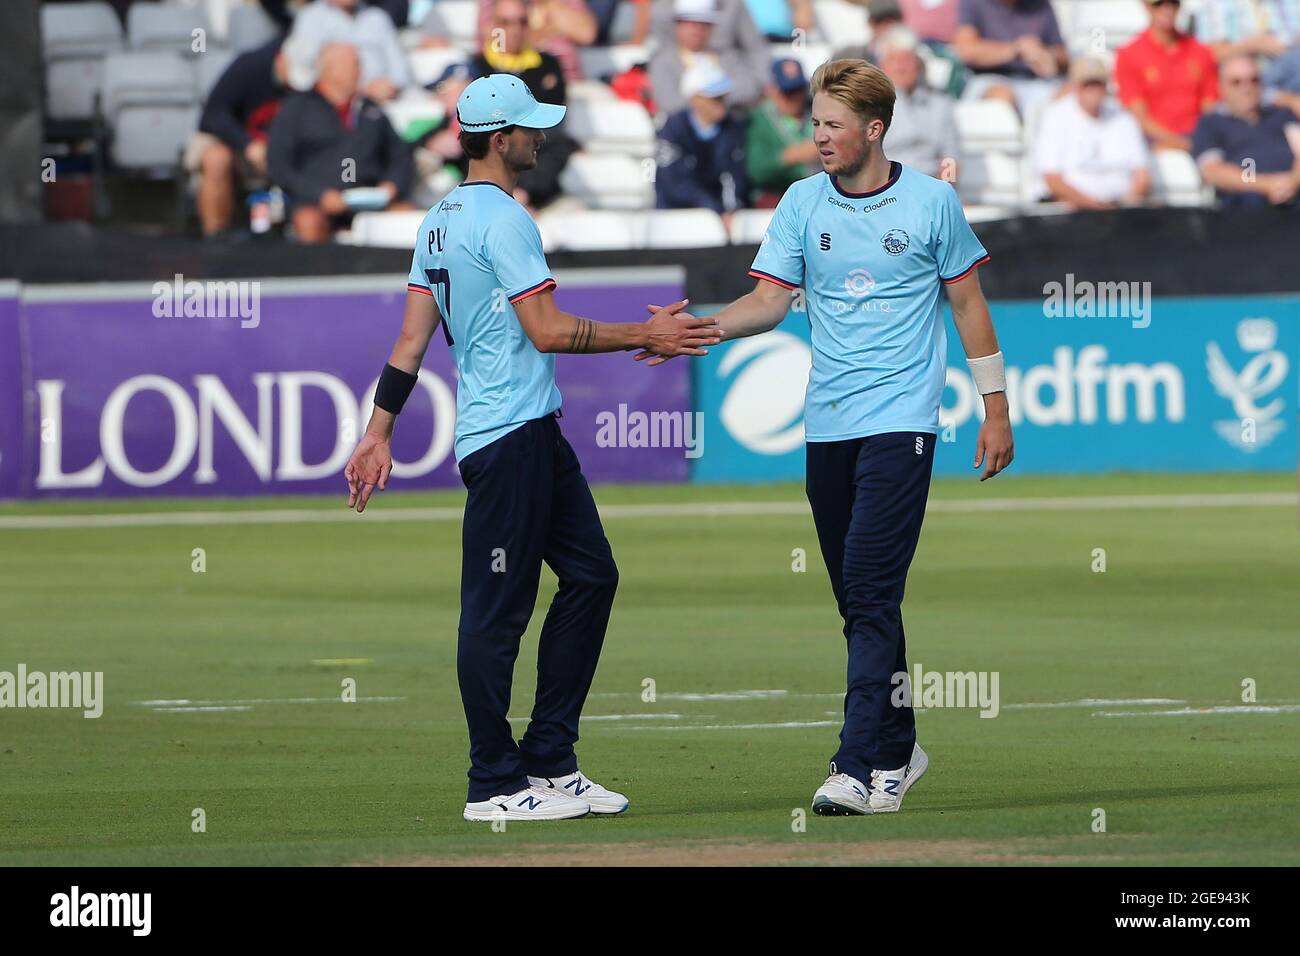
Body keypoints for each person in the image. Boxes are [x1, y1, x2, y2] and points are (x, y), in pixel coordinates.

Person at [637, 59, 1014, 816]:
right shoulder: (803, 204)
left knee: (872, 592)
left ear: (874, 129)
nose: (819, 138)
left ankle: (853, 766)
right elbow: (770, 302)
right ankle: (901, 750)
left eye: (833, 125)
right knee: (860, 601)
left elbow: (968, 305)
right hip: (828, 427)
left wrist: (994, 407)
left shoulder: (933, 202)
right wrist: (699, 329)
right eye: (814, 124)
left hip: (903, 424)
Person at [342, 74, 722, 822]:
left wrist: (379, 429)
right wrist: (647, 333)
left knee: (591, 576)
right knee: (496, 611)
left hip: (529, 431)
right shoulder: (505, 217)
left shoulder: (439, 220)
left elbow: (411, 341)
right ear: (499, 138)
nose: (540, 138)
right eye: (530, 128)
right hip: (507, 437)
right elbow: (545, 330)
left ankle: (549, 761)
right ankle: (493, 783)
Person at [267, 43, 415, 243]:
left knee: (410, 219)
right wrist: (320, 195)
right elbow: (279, 166)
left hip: (370, 199)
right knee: (309, 222)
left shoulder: (371, 111)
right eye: (355, 65)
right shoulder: (297, 109)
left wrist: (392, 185)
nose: (360, 71)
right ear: (330, 70)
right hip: (317, 202)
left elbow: (400, 155)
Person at [471, 0, 578, 209]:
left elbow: (551, 134)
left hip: (539, 191)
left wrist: (525, 190)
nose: (515, 30)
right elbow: (474, 140)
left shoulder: (548, 64)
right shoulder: (475, 66)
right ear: (492, 25)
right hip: (487, 192)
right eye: (506, 22)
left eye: (522, 22)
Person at [187, 39, 290, 237]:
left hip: (286, 152)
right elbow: (212, 115)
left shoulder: (319, 80)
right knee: (216, 158)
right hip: (239, 144)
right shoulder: (251, 66)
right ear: (281, 59)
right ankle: (215, 238)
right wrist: (247, 144)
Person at [1033, 58, 1151, 209]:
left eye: (1098, 84)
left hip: (1119, 211)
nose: (1093, 91)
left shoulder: (1123, 118)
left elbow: (1142, 175)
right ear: (1076, 87)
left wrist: (1123, 208)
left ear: (1106, 87)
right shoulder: (1055, 117)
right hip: (1073, 210)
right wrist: (1095, 207)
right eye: (1087, 85)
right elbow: (1052, 179)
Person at [1192, 54, 1300, 207]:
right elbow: (1213, 171)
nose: (1247, 88)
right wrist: (1265, 185)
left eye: (1254, 80)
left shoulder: (1281, 114)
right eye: (1236, 82)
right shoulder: (1210, 123)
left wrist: (1292, 182)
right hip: (1245, 212)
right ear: (1221, 86)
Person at [1115, 0, 1220, 151]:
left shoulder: (1200, 51)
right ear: (1146, 6)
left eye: (1173, 3)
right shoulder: (1129, 54)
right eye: (1158, 4)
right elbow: (1140, 117)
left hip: (1198, 138)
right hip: (1154, 140)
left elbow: (1209, 106)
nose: (1167, 9)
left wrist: (1199, 140)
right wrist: (1175, 142)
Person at [654, 63, 750, 227]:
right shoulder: (673, 129)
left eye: (723, 97)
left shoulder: (732, 128)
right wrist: (712, 209)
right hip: (675, 218)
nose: (721, 103)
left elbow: (734, 175)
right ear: (695, 99)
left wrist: (730, 211)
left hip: (720, 218)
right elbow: (674, 184)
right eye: (714, 97)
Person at [648, 0, 770, 116]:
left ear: (712, 28)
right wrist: (707, 104)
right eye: (690, 23)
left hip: (728, 126)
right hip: (684, 133)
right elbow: (670, 104)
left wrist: (717, 101)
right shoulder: (664, 62)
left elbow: (748, 88)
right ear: (677, 25)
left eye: (704, 24)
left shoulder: (725, 57)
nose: (697, 29)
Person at [285, 0, 413, 102]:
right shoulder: (310, 18)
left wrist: (391, 87)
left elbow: (401, 69)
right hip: (335, 105)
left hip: (384, 100)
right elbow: (303, 74)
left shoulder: (377, 17)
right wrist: (361, 90)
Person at [952, 0, 1066, 114]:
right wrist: (1016, 50)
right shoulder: (974, 2)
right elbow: (966, 51)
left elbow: (1063, 56)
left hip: (1037, 83)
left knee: (1072, 94)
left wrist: (1046, 55)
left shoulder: (1041, 4)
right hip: (988, 80)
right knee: (1001, 98)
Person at [876, 26, 960, 178]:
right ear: (881, 66)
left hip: (931, 188)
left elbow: (951, 158)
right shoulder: (869, 105)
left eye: (907, 60)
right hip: (884, 189)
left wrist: (947, 189)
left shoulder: (941, 104)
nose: (901, 67)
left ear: (918, 64)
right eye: (894, 60)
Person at [746, 57, 819, 205]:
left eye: (799, 90)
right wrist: (787, 158)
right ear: (772, 91)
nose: (795, 97)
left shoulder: (818, 111)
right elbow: (755, 171)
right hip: (778, 197)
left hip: (819, 195)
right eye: (787, 92)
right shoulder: (759, 121)